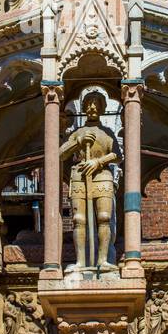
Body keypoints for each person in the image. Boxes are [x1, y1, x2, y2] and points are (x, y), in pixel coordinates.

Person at [59, 93, 118, 272]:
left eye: (96, 104)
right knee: (78, 219)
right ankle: (81, 262)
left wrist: (98, 162)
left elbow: (117, 155)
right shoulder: (78, 132)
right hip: (80, 175)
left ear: (102, 108)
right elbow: (60, 154)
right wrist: (78, 142)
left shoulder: (107, 133)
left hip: (102, 175)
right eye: (89, 104)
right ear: (84, 108)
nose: (92, 108)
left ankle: (103, 260)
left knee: (104, 217)